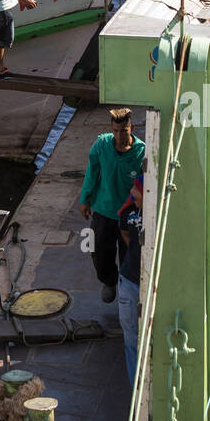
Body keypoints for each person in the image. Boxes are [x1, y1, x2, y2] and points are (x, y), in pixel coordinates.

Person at [79, 108, 146, 303]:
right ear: (111, 129)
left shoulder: (142, 151)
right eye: (115, 131)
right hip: (103, 209)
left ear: (131, 128)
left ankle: (126, 287)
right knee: (99, 251)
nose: (119, 135)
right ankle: (109, 281)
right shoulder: (101, 144)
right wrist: (85, 199)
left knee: (129, 255)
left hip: (129, 214)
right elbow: (92, 172)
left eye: (123, 131)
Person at [117, 176, 143, 383]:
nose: (133, 195)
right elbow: (126, 235)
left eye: (137, 191)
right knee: (131, 338)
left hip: (152, 284)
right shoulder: (129, 212)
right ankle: (136, 388)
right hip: (130, 281)